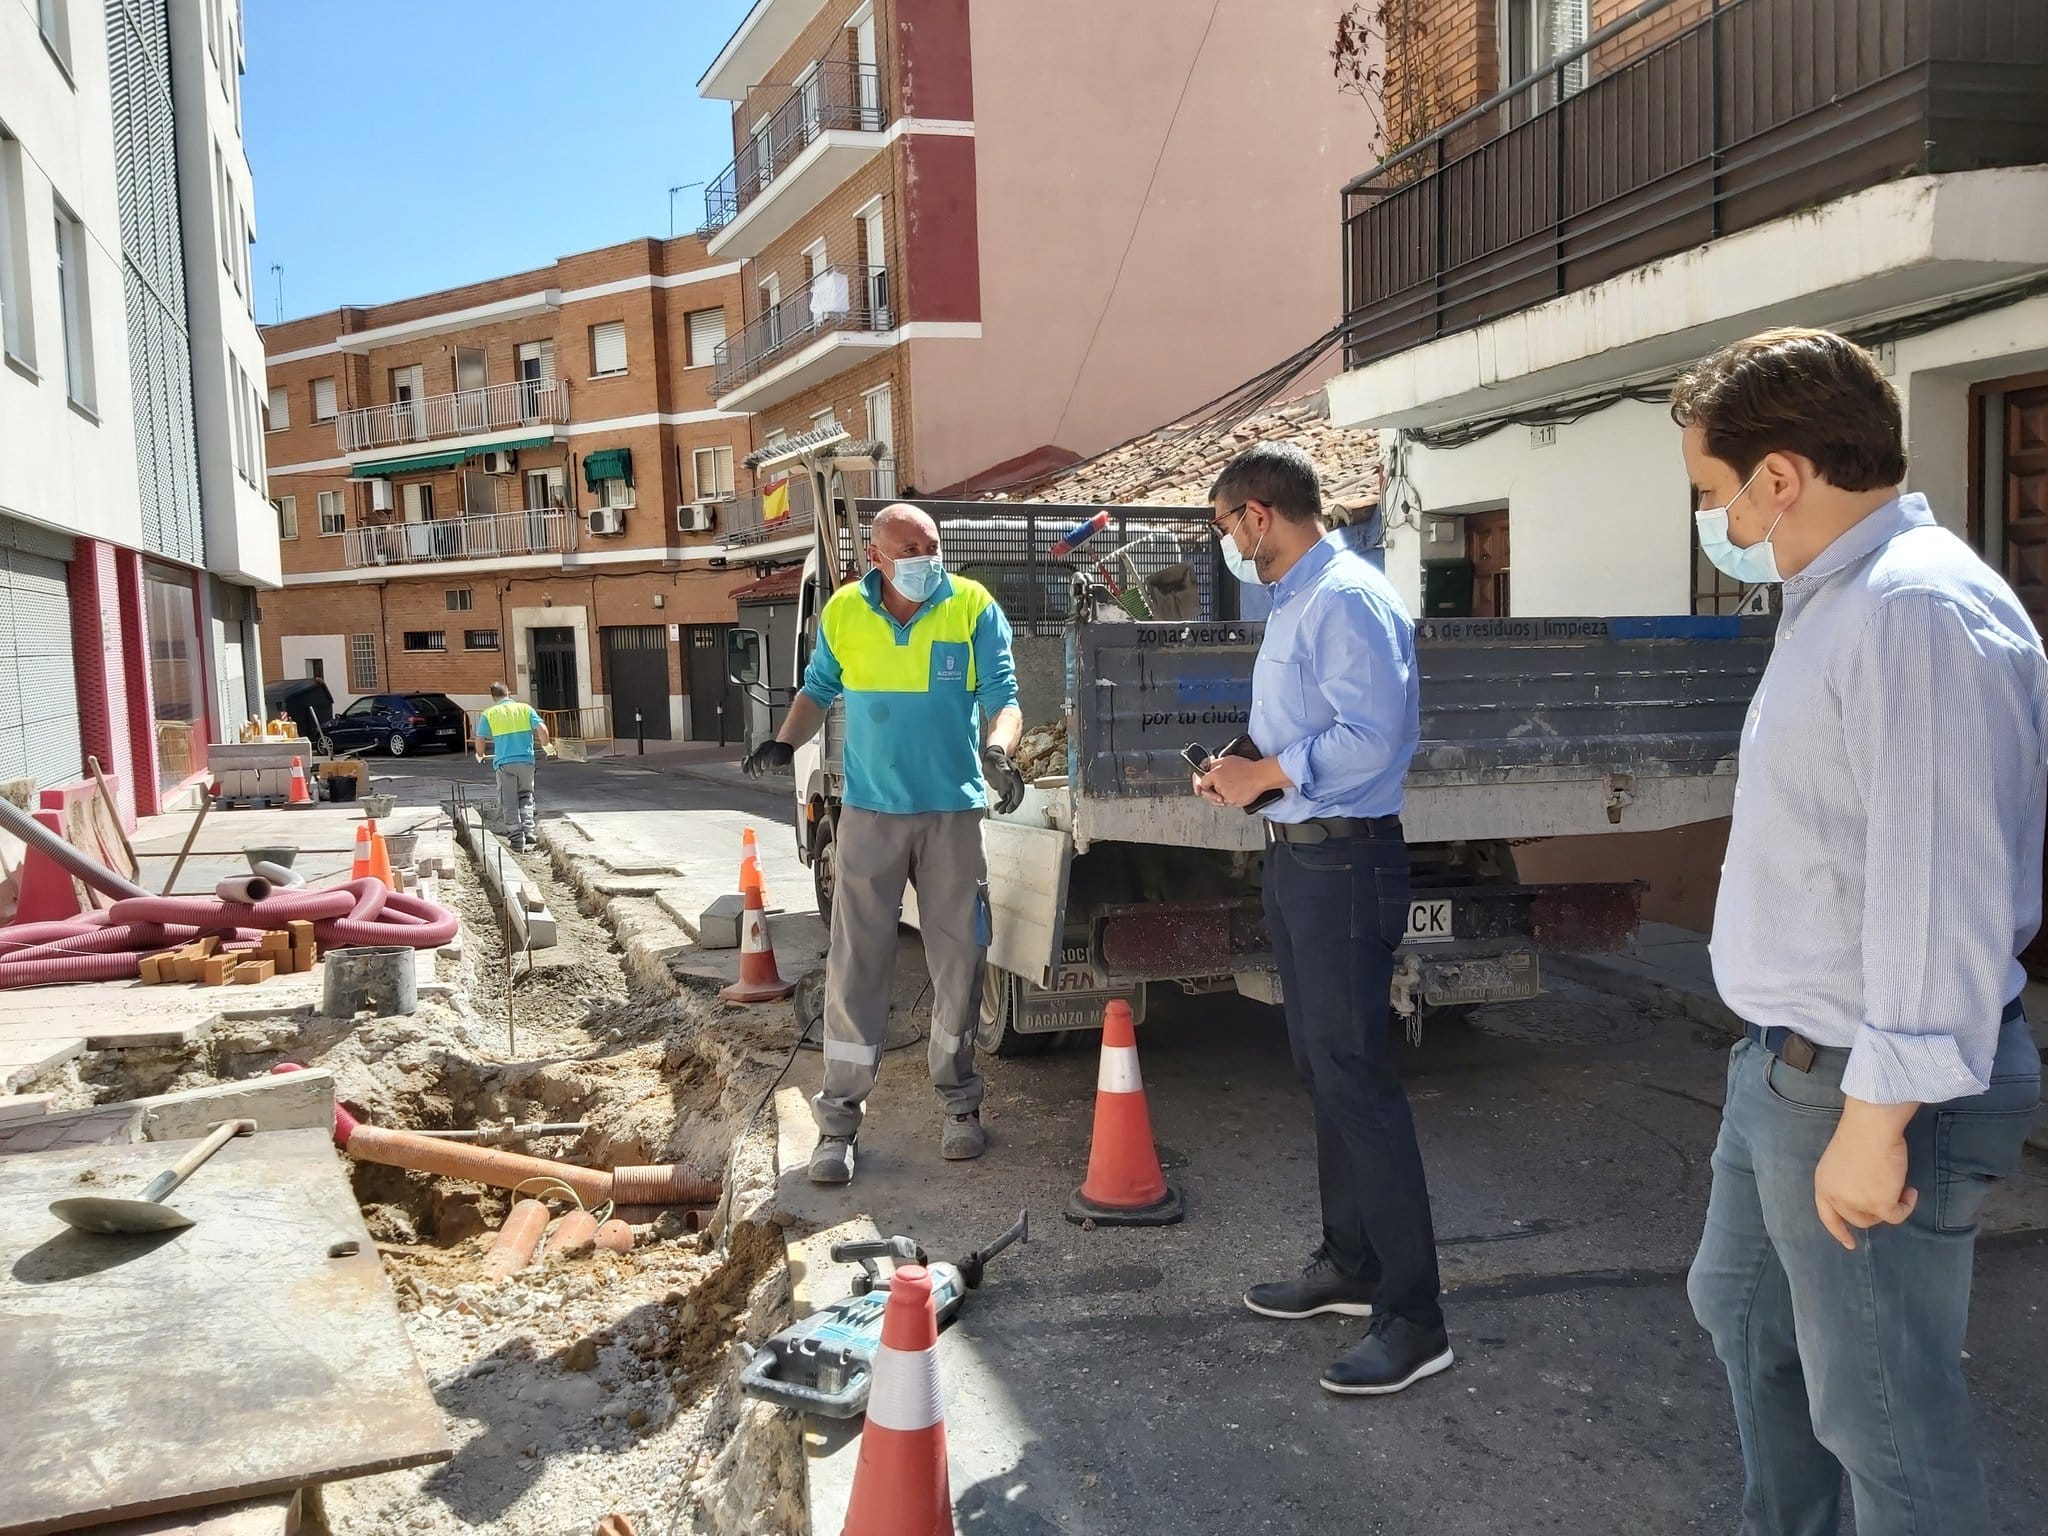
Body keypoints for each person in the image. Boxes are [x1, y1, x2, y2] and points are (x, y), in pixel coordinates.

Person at [1677, 328, 2047, 1535]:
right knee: (1736, 1307)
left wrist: (1874, 1122)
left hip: (1865, 1083)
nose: (1715, 523)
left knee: (1882, 1421)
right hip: (1787, 1063)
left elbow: (1939, 892)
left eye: (1709, 492)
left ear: (1776, 475)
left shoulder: (1911, 613)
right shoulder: (1835, 597)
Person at [1192, 442, 1449, 1397]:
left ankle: (1416, 1317)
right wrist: (1239, 763)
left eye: (1222, 524)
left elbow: (1371, 737)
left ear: (1259, 514)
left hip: (1346, 862)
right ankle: (1352, 1264)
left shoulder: (1345, 596)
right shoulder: (1299, 597)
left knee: (1357, 1080)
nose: (1224, 544)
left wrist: (1271, 773)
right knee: (1323, 1069)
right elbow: (1295, 725)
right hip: (1301, 859)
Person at [744, 503, 1025, 1184]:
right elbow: (818, 689)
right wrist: (786, 741)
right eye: (911, 549)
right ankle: (838, 1124)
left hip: (952, 815)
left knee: (961, 962)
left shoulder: (971, 605)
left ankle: (959, 1105)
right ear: (877, 557)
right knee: (855, 967)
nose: (928, 559)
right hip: (870, 815)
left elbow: (1005, 697)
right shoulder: (843, 613)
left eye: (933, 546)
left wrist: (998, 750)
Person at [474, 681, 552, 852]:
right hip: (526, 761)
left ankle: (517, 840)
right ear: (509, 692)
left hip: (505, 764)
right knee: (526, 796)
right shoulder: (525, 709)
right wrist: (546, 746)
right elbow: (542, 730)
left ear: (493, 696)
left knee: (508, 801)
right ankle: (528, 829)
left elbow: (480, 739)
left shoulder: (489, 713)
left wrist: (480, 755)